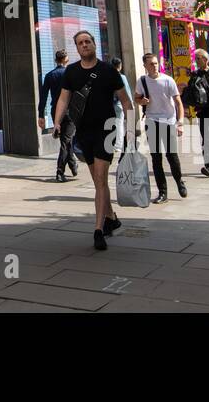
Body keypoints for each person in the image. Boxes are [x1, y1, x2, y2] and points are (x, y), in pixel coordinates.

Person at [53, 30, 134, 251]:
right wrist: (57, 122)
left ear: (94, 44)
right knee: (98, 181)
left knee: (100, 179)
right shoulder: (71, 71)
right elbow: (63, 98)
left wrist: (132, 129)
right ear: (77, 48)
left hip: (107, 130)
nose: (85, 45)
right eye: (80, 43)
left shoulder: (108, 71)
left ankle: (98, 230)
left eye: (88, 41)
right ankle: (111, 218)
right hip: (84, 131)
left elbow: (126, 101)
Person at [135, 53, 186, 204]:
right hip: (151, 121)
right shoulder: (142, 81)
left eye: (156, 63)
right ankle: (162, 192)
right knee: (156, 158)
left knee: (172, 156)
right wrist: (141, 101)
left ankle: (179, 181)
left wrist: (180, 122)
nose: (154, 66)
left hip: (168, 121)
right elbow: (136, 98)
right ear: (145, 66)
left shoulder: (167, 80)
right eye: (151, 64)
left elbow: (178, 103)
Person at [39, 49, 79, 182]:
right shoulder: (71, 74)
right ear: (66, 60)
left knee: (66, 140)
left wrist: (41, 115)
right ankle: (60, 172)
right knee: (66, 141)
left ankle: (72, 164)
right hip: (69, 111)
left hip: (55, 111)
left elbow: (43, 97)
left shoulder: (50, 75)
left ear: (56, 60)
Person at [110, 57, 135, 153]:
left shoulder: (110, 77)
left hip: (115, 103)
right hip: (122, 103)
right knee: (121, 124)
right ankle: (121, 144)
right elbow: (127, 91)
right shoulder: (122, 77)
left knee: (117, 124)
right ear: (120, 66)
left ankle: (117, 144)